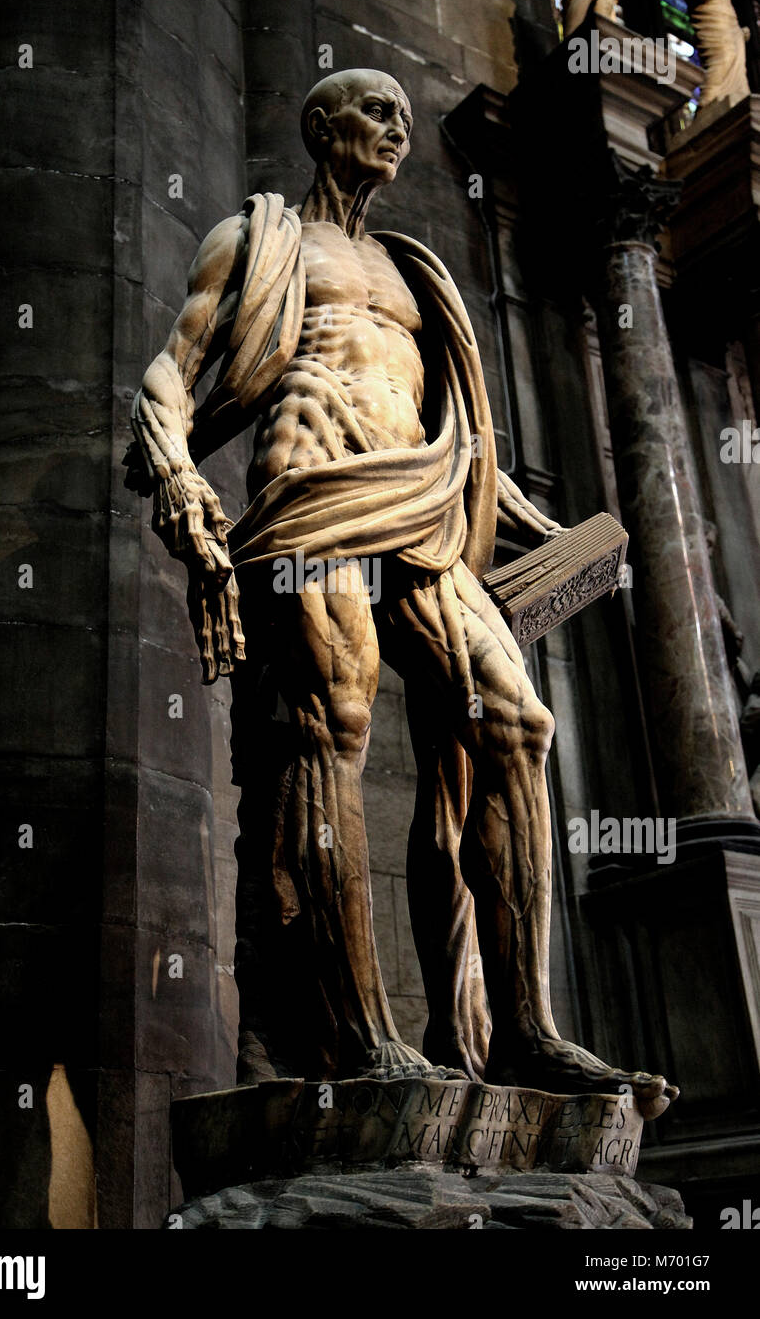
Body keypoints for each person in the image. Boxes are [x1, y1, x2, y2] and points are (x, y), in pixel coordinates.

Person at [126, 69, 676, 1117]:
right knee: (331, 728)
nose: (394, 129)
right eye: (374, 111)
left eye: (404, 118)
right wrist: (180, 480)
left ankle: (522, 1032)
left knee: (515, 721)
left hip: (422, 513)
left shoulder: (417, 272)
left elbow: (451, 438)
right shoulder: (260, 240)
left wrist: (555, 537)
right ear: (319, 126)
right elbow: (169, 374)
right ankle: (355, 1035)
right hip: (312, 495)